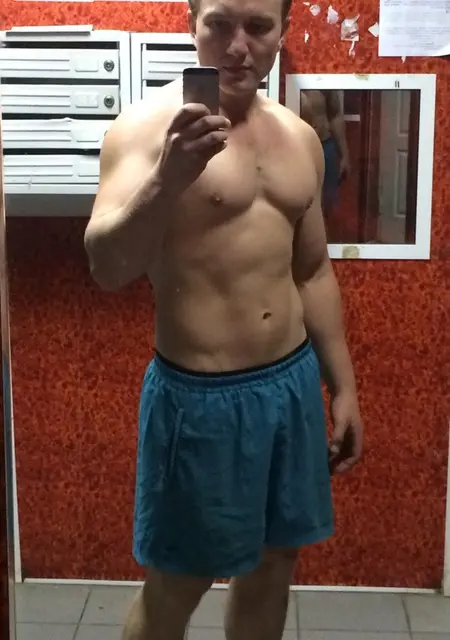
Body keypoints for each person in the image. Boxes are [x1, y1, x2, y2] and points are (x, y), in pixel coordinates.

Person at [84, 0, 363, 638]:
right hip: (200, 398)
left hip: (290, 385)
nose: (238, 46)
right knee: (178, 580)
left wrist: (342, 386)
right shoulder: (143, 132)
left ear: (283, 32)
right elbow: (107, 268)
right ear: (192, 26)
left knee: (273, 565)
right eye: (219, 24)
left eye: (258, 27)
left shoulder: (298, 136)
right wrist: (167, 178)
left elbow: (312, 271)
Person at [300, 90, 350, 218]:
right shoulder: (286, 84)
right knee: (301, 201)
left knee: (328, 201)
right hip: (298, 148)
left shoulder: (322, 81)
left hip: (326, 145)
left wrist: (344, 155)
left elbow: (335, 115)